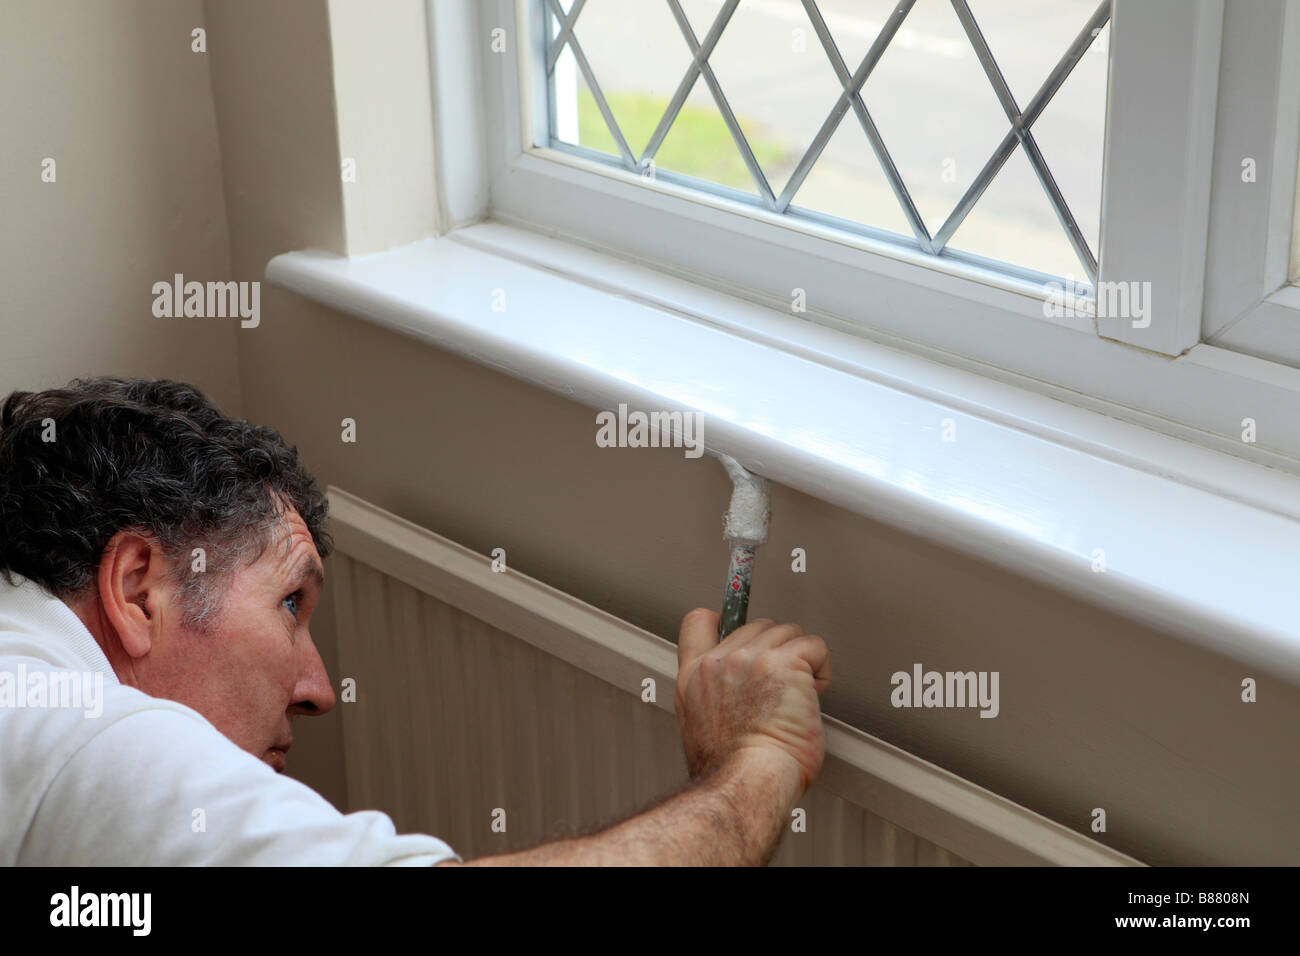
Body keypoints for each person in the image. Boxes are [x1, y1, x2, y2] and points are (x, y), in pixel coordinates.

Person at [0, 377, 830, 866]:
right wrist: (757, 762)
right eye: (290, 603)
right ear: (141, 590)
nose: (319, 690)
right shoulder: (74, 739)